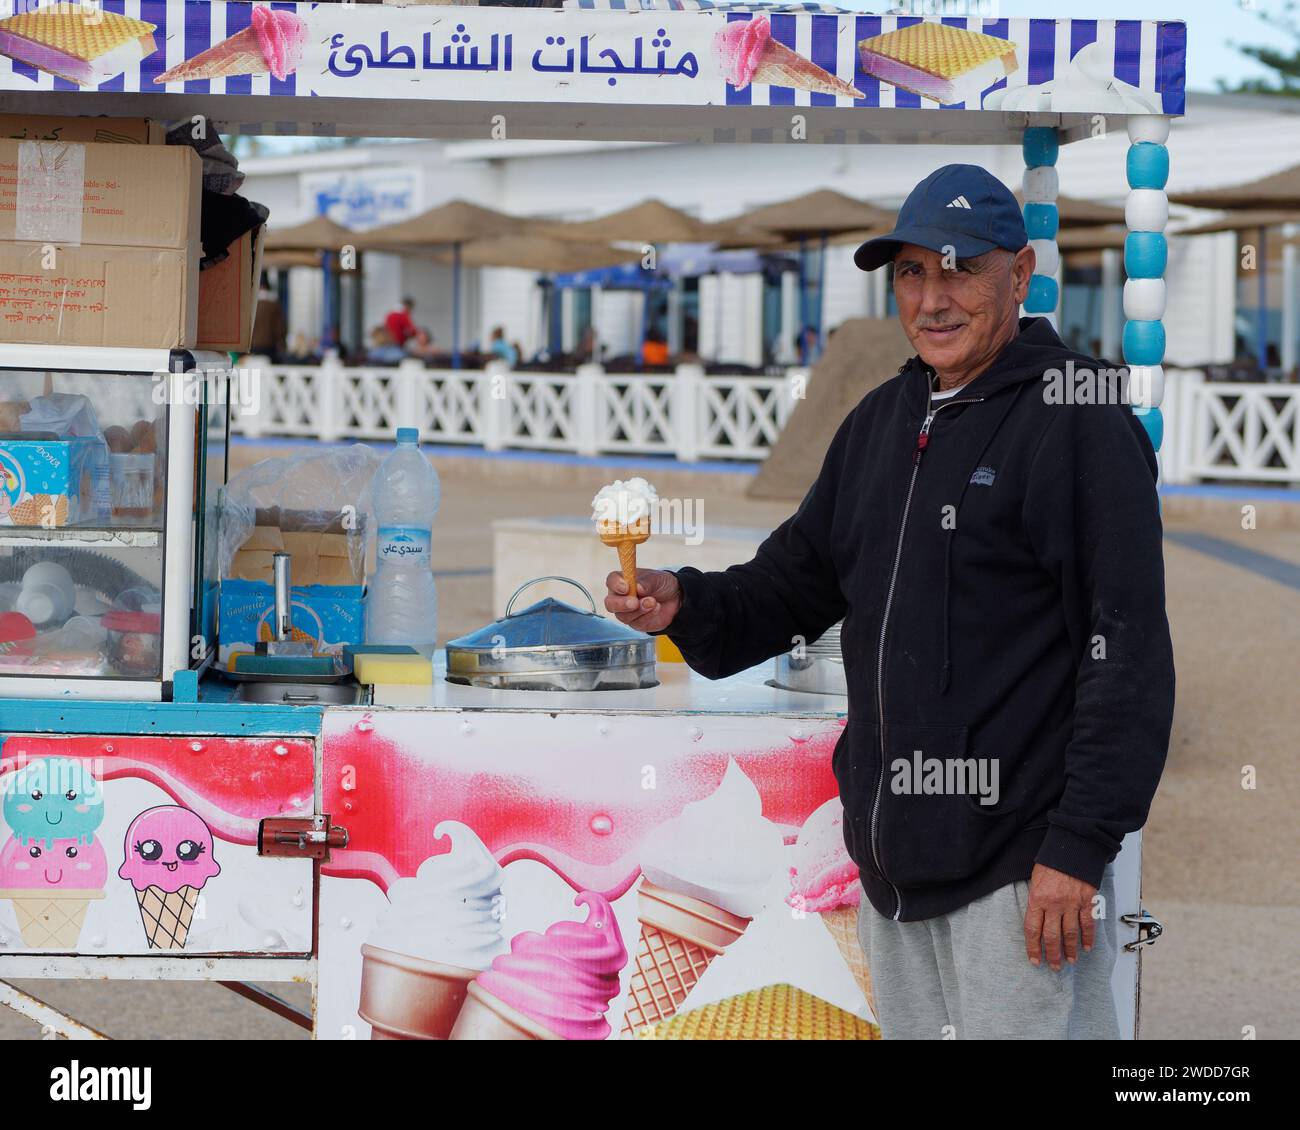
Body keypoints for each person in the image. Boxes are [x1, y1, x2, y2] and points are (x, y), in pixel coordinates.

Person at [602, 165, 1175, 1041]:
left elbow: (1128, 651)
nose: (933, 299)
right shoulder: (882, 417)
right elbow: (794, 580)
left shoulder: (1079, 417)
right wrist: (687, 603)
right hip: (894, 871)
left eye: (959, 270)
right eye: (912, 273)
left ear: (1018, 275)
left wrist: (1077, 848)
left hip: (1018, 874)